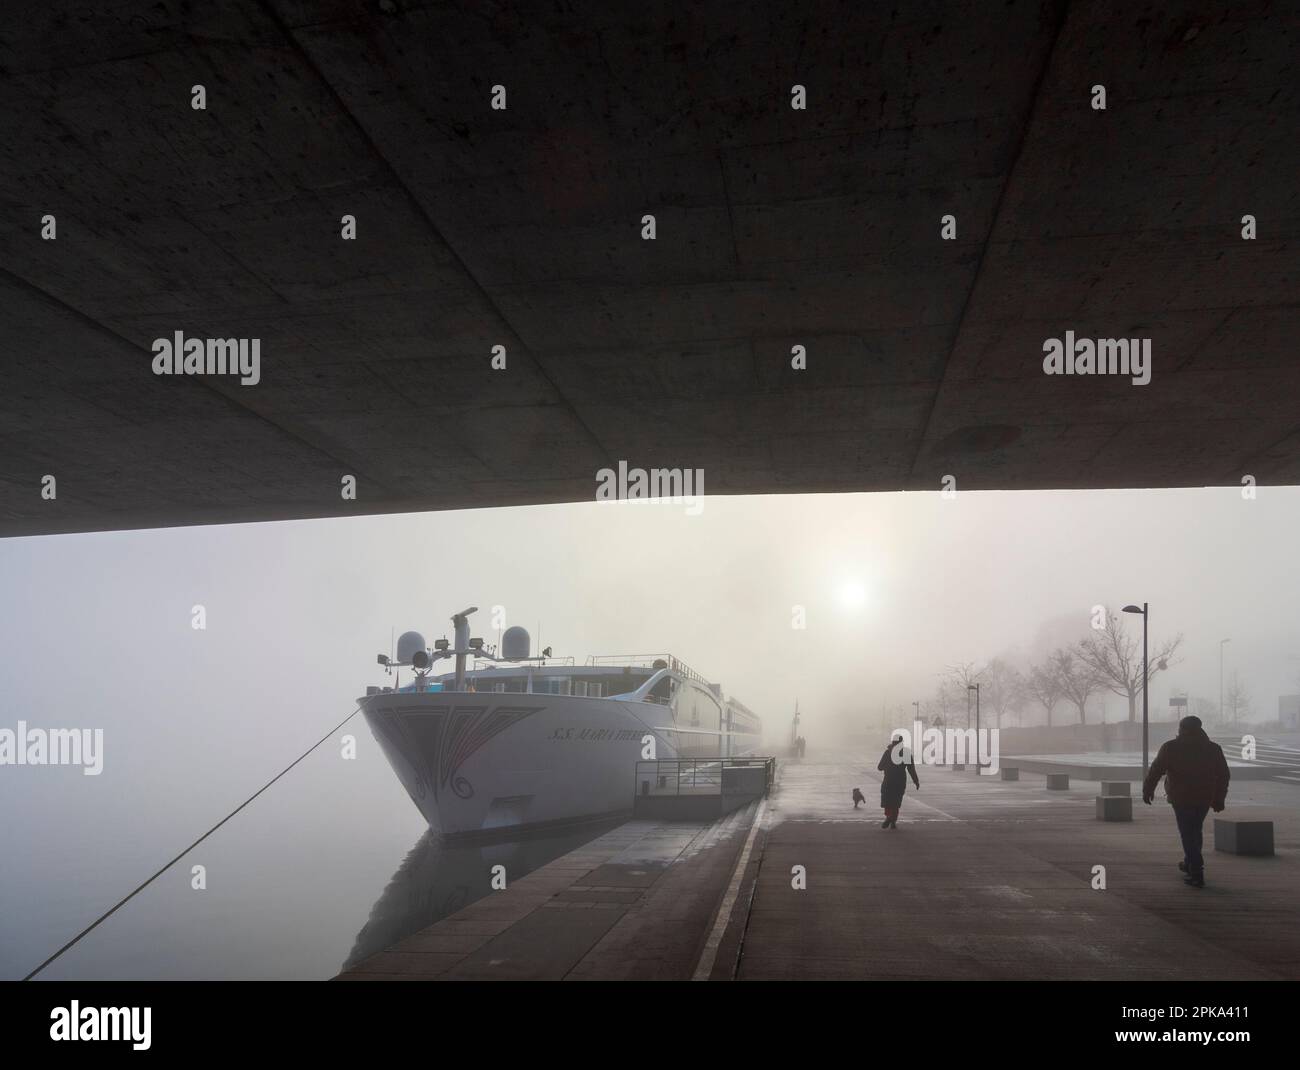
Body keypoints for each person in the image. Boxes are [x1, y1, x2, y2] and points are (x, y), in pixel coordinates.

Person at [1141, 715, 1230, 888]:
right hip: (1205, 797)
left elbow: (1156, 770)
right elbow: (1223, 775)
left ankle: (1196, 870)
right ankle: (1190, 862)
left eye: (1180, 727)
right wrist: (1219, 798)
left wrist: (1148, 790)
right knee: (1195, 830)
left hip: (1181, 797)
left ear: (1183, 729)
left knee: (1188, 833)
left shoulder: (1171, 748)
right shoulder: (1213, 749)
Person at [876, 734, 920, 828]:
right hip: (900, 781)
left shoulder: (888, 753)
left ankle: (889, 817)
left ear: (892, 742)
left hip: (888, 780)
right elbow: (911, 769)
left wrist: (888, 766)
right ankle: (893, 821)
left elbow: (879, 767)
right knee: (896, 801)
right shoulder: (906, 753)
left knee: (887, 801)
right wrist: (916, 781)